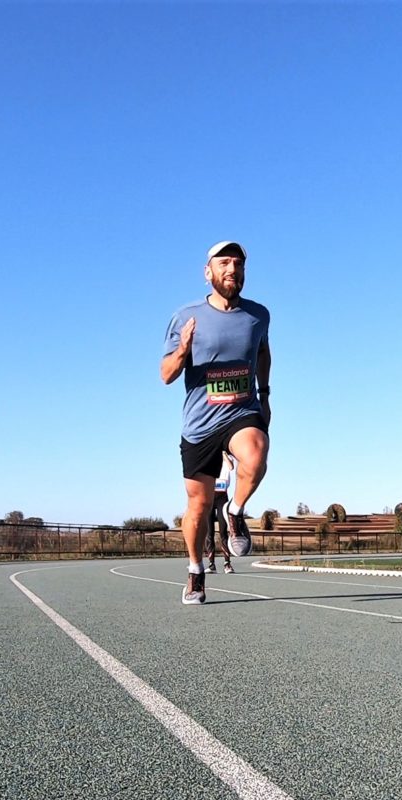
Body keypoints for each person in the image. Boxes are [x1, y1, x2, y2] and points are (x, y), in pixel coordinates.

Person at [161, 240, 271, 604]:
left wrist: (265, 394)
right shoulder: (185, 317)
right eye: (224, 263)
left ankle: (236, 512)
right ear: (208, 272)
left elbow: (262, 352)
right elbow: (165, 375)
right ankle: (195, 571)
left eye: (238, 264)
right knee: (198, 507)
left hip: (242, 412)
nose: (232, 270)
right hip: (200, 424)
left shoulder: (258, 316)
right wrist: (183, 349)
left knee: (255, 455)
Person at [203, 452, 236, 574]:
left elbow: (231, 467)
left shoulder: (227, 457)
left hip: (222, 497)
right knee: (209, 533)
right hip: (210, 496)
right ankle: (211, 564)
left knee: (223, 532)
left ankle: (227, 564)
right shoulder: (210, 456)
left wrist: (223, 454)